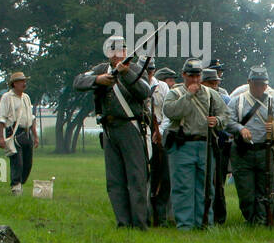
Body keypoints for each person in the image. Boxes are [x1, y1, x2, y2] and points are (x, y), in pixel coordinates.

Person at [74, 38, 153, 229]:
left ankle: (140, 223)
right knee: (115, 180)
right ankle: (123, 222)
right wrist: (97, 80)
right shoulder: (101, 69)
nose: (119, 54)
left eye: (122, 50)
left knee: (136, 178)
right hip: (110, 129)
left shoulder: (134, 69)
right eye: (115, 50)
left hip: (130, 127)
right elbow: (78, 81)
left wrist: (126, 75)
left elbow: (145, 92)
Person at [163, 59, 229, 230]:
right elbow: (171, 112)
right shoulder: (175, 93)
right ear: (184, 75)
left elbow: (225, 115)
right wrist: (188, 96)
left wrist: (218, 121)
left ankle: (205, 223)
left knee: (206, 187)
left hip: (205, 144)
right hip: (183, 144)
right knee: (183, 187)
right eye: (191, 76)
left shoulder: (211, 94)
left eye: (198, 75)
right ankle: (185, 225)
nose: (195, 80)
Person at [227, 67, 274, 225]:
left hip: (265, 150)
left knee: (266, 189)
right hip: (242, 151)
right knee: (245, 191)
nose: (260, 88)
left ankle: (262, 221)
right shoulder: (237, 101)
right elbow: (227, 122)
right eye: (256, 84)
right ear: (249, 82)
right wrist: (241, 129)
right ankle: (251, 219)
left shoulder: (273, 102)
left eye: (263, 84)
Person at [0, 72, 38, 195]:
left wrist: (35, 136)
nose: (24, 84)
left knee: (28, 163)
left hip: (26, 133)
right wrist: (1, 137)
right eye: (21, 81)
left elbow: (31, 118)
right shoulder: (6, 97)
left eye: (24, 81)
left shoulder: (26, 98)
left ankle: (20, 183)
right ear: (14, 84)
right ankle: (16, 186)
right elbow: (1, 118)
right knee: (17, 162)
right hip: (14, 133)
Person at [203, 67, 232, 225]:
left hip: (219, 145)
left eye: (215, 83)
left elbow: (228, 121)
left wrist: (218, 121)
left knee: (218, 183)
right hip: (200, 143)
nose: (214, 86)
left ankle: (219, 217)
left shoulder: (223, 99)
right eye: (210, 83)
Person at [149, 68, 177, 225]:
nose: (172, 83)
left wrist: (159, 131)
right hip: (145, 134)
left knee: (164, 178)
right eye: (169, 79)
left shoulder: (166, 91)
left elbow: (168, 116)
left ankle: (162, 216)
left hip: (162, 137)